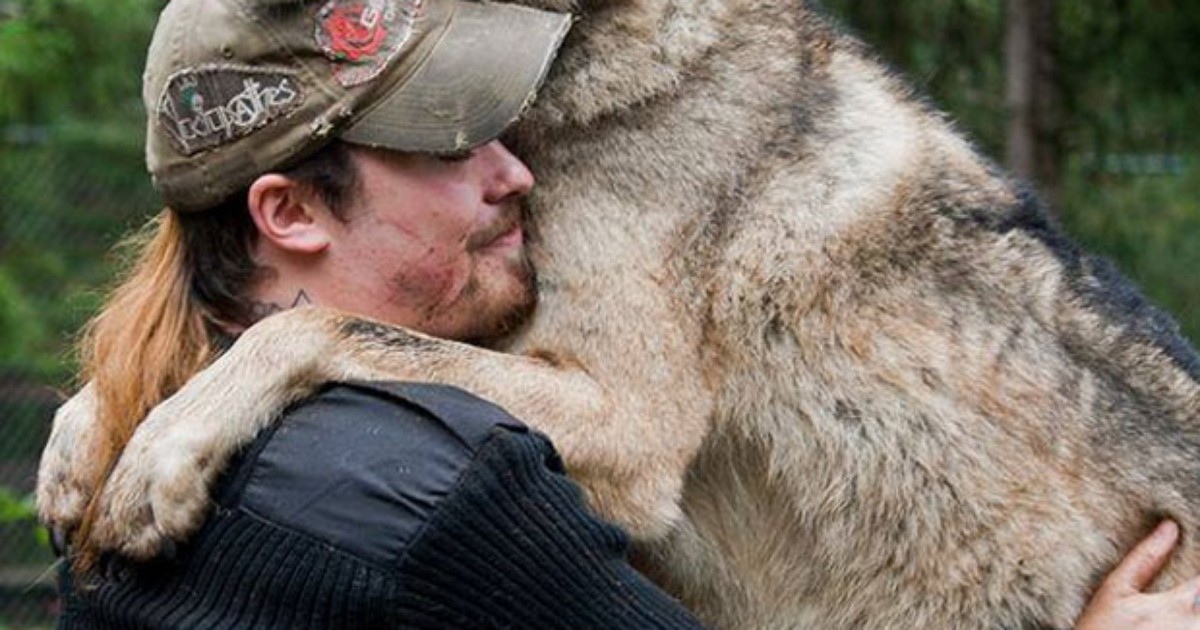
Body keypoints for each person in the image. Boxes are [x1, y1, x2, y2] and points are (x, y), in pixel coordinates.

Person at [38, 0, 1200, 627]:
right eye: (449, 140)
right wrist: (281, 360)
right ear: (286, 212)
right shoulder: (454, 498)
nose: (511, 173)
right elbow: (622, 447)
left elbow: (619, 445)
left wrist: (261, 361)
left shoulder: (682, 104)